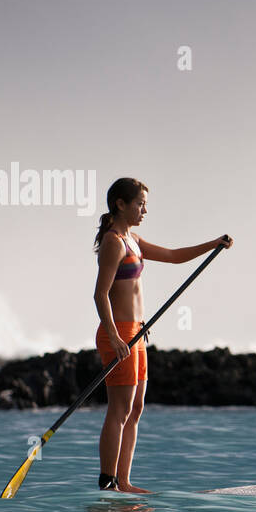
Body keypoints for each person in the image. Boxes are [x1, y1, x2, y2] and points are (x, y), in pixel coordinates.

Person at [92, 177, 233, 492]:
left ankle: (124, 481)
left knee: (136, 408)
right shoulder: (114, 242)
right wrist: (114, 336)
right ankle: (107, 482)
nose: (144, 210)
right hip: (119, 333)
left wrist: (212, 244)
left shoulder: (134, 240)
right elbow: (100, 295)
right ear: (120, 204)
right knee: (120, 409)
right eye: (140, 204)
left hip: (137, 332)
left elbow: (172, 255)